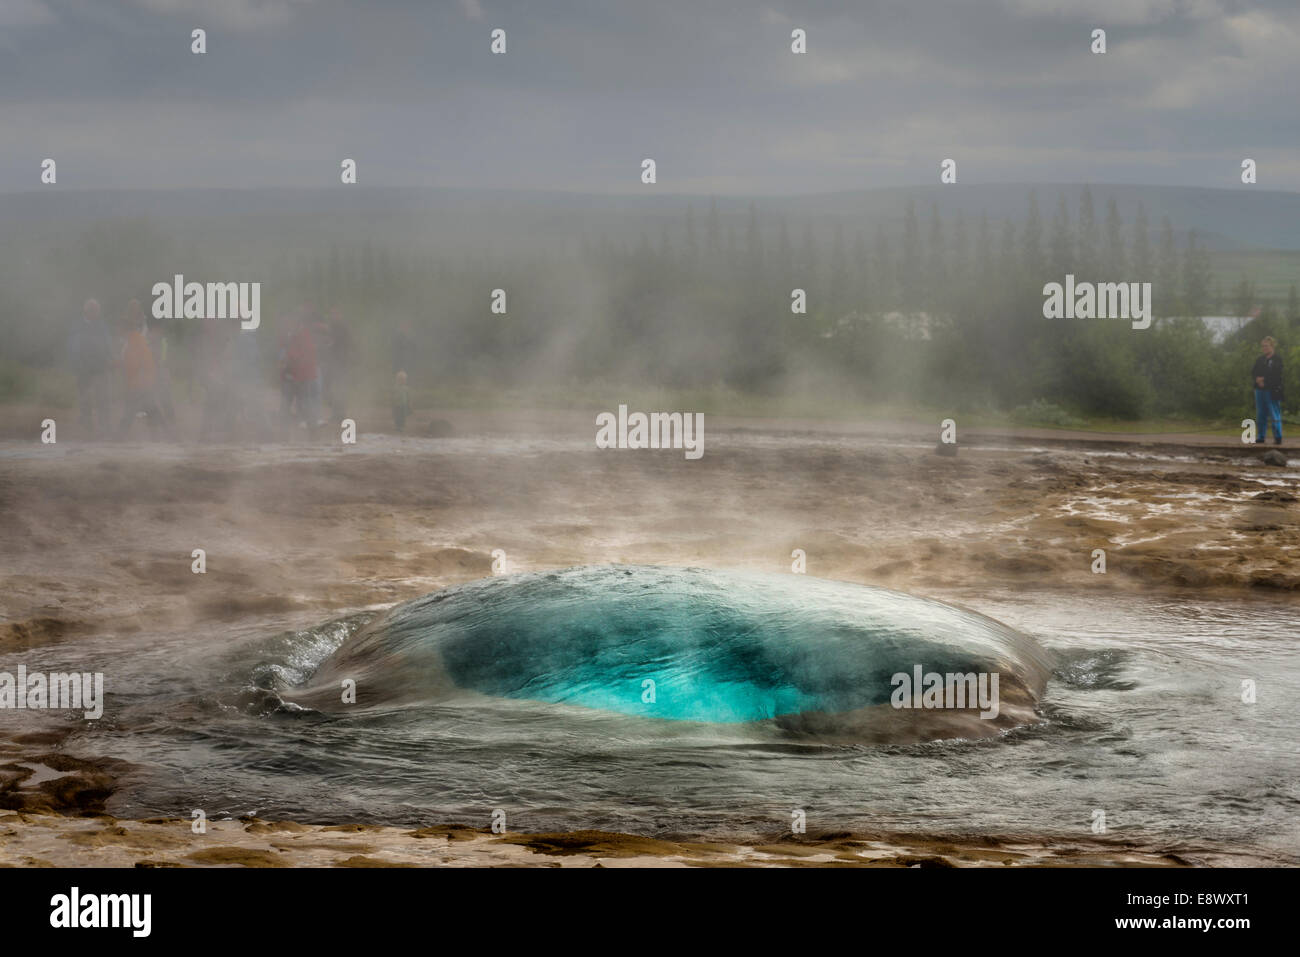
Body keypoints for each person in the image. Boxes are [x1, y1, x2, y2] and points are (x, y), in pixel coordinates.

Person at [116, 299, 163, 439]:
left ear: (125, 329)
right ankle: (165, 434)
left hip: (140, 382)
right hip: (139, 381)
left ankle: (119, 437)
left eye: (120, 327)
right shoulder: (131, 340)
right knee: (150, 409)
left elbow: (139, 362)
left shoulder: (135, 340)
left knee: (132, 410)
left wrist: (140, 378)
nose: (117, 330)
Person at [68, 298, 113, 437]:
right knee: (84, 400)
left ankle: (104, 428)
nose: (95, 313)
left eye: (96, 311)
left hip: (100, 368)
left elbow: (107, 345)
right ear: (86, 312)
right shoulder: (77, 326)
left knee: (102, 399)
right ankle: (88, 429)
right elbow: (73, 347)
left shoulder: (102, 326)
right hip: (83, 369)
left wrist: (108, 360)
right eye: (92, 311)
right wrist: (76, 364)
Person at [1252, 336, 1284, 445]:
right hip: (1259, 390)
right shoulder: (1260, 359)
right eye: (1263, 346)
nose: (1264, 348)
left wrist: (1264, 379)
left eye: (1266, 346)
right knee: (1261, 413)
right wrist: (1258, 380)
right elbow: (1254, 371)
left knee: (1274, 413)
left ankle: (1278, 437)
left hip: (1272, 390)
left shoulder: (1277, 359)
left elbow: (1277, 374)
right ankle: (1261, 437)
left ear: (1272, 346)